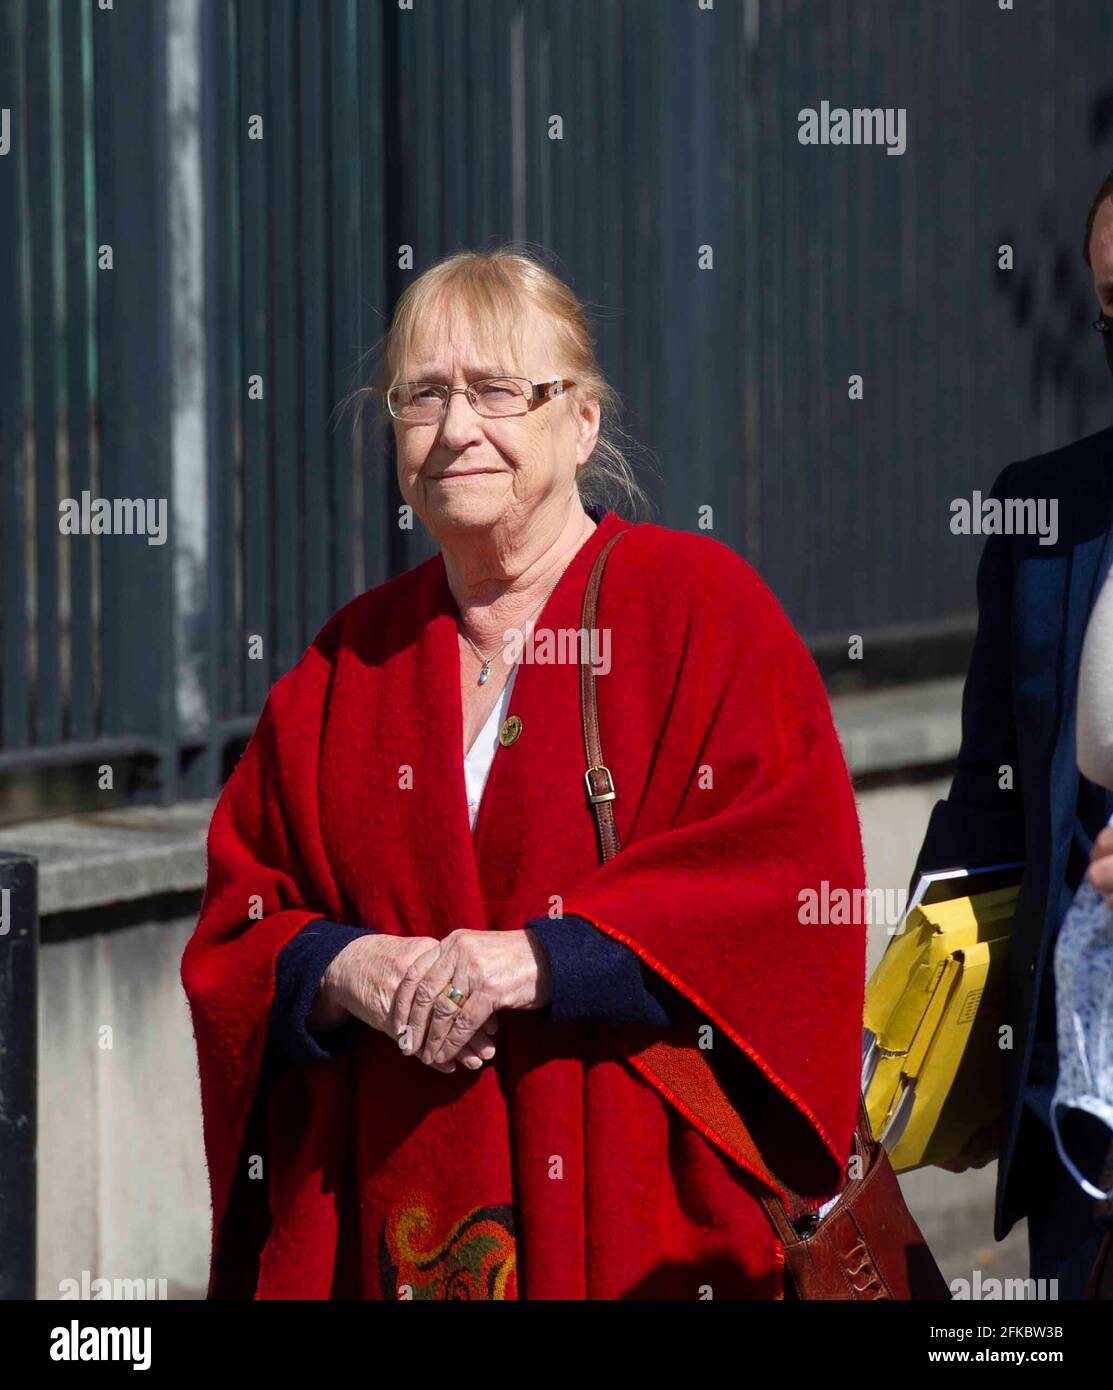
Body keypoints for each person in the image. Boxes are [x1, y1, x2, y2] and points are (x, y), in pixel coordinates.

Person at [180, 246, 867, 1300]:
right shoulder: (342, 663)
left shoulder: (697, 611)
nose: (458, 428)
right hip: (390, 1215)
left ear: (581, 421)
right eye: (424, 396)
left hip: (643, 1221)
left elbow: (780, 892)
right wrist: (339, 970)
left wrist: (538, 962)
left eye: (500, 390)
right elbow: (241, 922)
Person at [909, 171, 1113, 1298]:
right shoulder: (1041, 523)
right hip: (1075, 1124)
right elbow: (989, 802)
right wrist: (922, 1037)